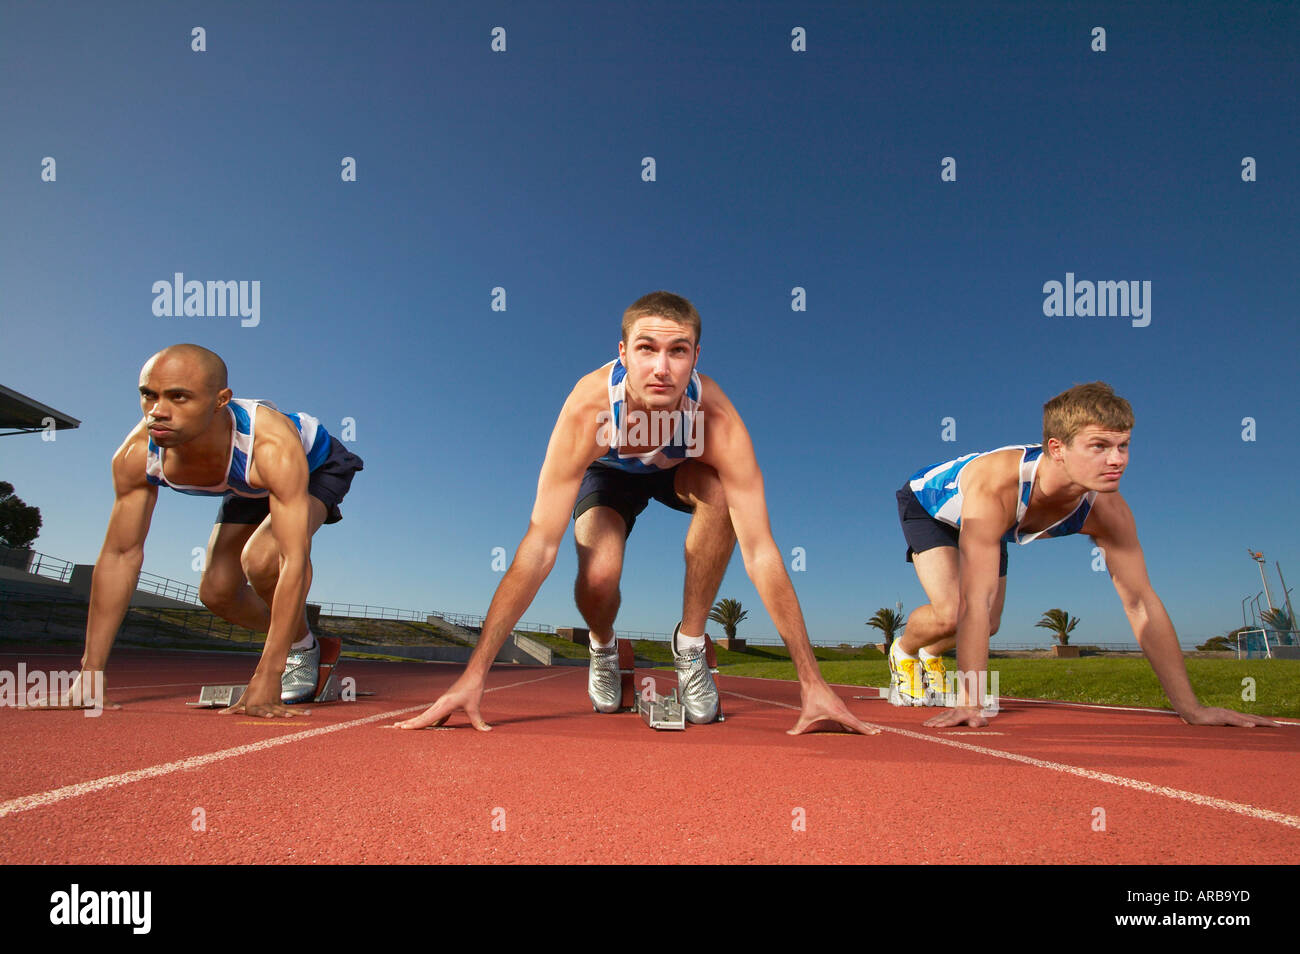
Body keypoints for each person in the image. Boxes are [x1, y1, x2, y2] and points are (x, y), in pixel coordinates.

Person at [397, 291, 875, 735]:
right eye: (647, 349)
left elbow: (761, 552)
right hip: (609, 475)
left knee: (722, 492)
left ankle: (690, 646)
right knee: (601, 574)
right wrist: (474, 675)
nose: (662, 368)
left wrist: (811, 681)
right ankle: (602, 645)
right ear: (623, 354)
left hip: (679, 471)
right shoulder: (589, 411)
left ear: (696, 359)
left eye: (678, 351)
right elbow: (541, 544)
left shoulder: (715, 418)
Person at [890, 381, 1277, 729]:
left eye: (1123, 445)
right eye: (1099, 447)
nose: (1117, 460)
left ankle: (931, 652)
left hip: (1000, 525)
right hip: (932, 506)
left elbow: (1140, 602)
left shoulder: (1108, 511)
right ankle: (904, 651)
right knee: (956, 609)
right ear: (1057, 449)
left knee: (989, 624)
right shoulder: (999, 487)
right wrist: (970, 704)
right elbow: (976, 597)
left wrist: (1192, 709)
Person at [60, 344, 363, 718]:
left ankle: (298, 650)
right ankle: (303, 636)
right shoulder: (137, 454)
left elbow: (292, 558)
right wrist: (90, 674)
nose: (158, 411)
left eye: (179, 397)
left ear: (221, 401)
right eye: (148, 395)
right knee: (217, 593)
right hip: (247, 482)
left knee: (262, 559)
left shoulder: (271, 444)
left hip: (312, 467)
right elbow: (120, 554)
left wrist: (268, 676)